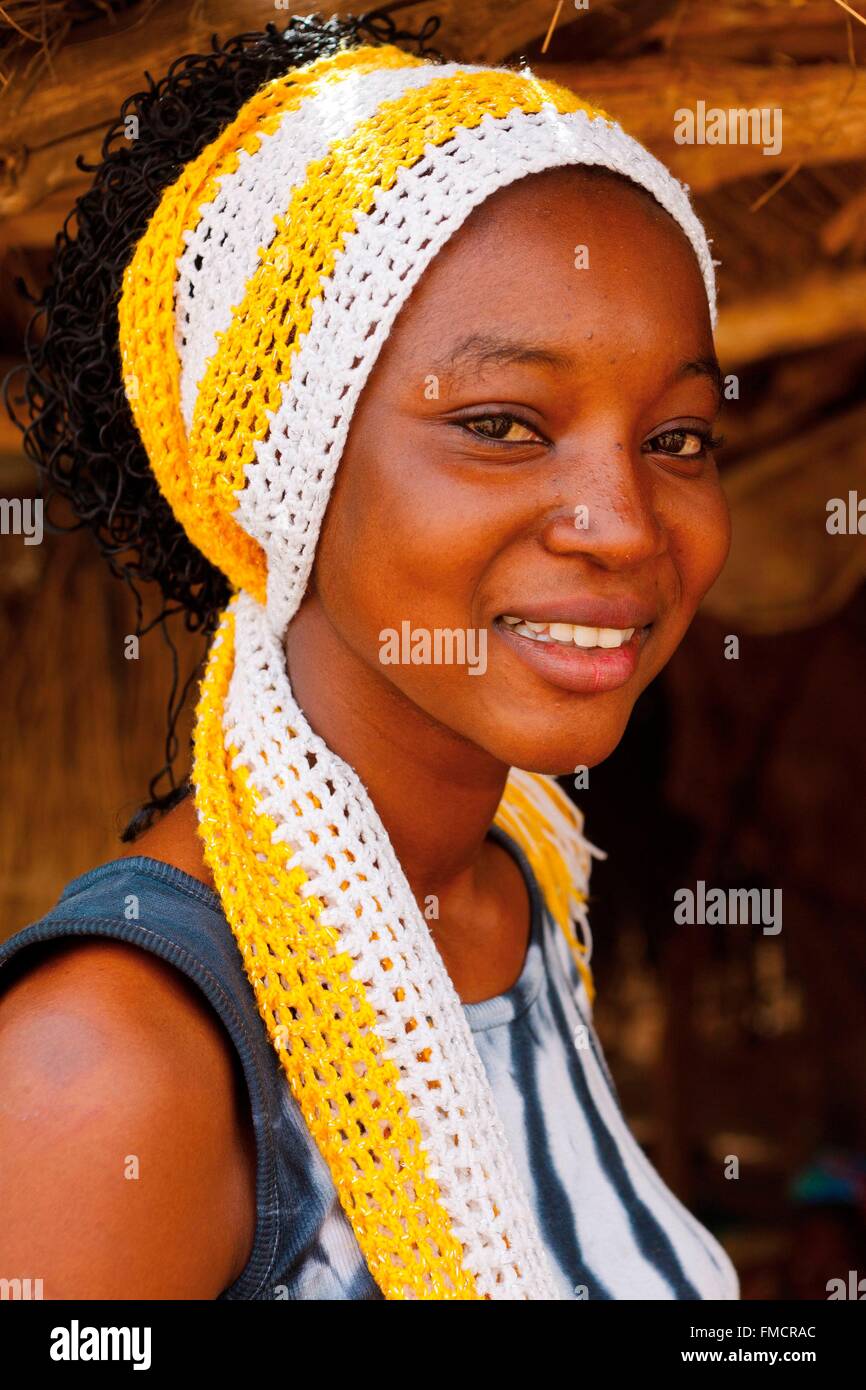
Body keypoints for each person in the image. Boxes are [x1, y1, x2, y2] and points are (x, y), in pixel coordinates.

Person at [0, 12, 737, 1300]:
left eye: (678, 437)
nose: (622, 525)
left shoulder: (513, 888)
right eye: (504, 424)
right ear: (281, 476)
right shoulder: (110, 1071)